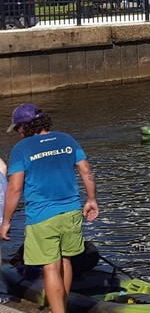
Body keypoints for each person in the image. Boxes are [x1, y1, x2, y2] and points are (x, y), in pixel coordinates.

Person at [0, 104, 98, 313]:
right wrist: (91, 199)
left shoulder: (21, 149)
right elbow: (86, 170)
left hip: (42, 216)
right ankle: (61, 307)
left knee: (50, 267)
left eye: (17, 128)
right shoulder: (67, 139)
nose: (18, 133)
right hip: (71, 211)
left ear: (24, 127)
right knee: (66, 260)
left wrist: (6, 221)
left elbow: (15, 188)